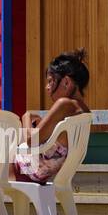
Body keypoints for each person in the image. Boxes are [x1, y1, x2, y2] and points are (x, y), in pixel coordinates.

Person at [12, 49, 90, 184]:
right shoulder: (83, 110)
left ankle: (4, 195)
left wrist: (26, 117)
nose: (47, 87)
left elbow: (32, 141)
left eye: (50, 81)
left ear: (66, 82)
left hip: (35, 170)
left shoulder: (64, 104)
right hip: (52, 170)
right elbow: (56, 140)